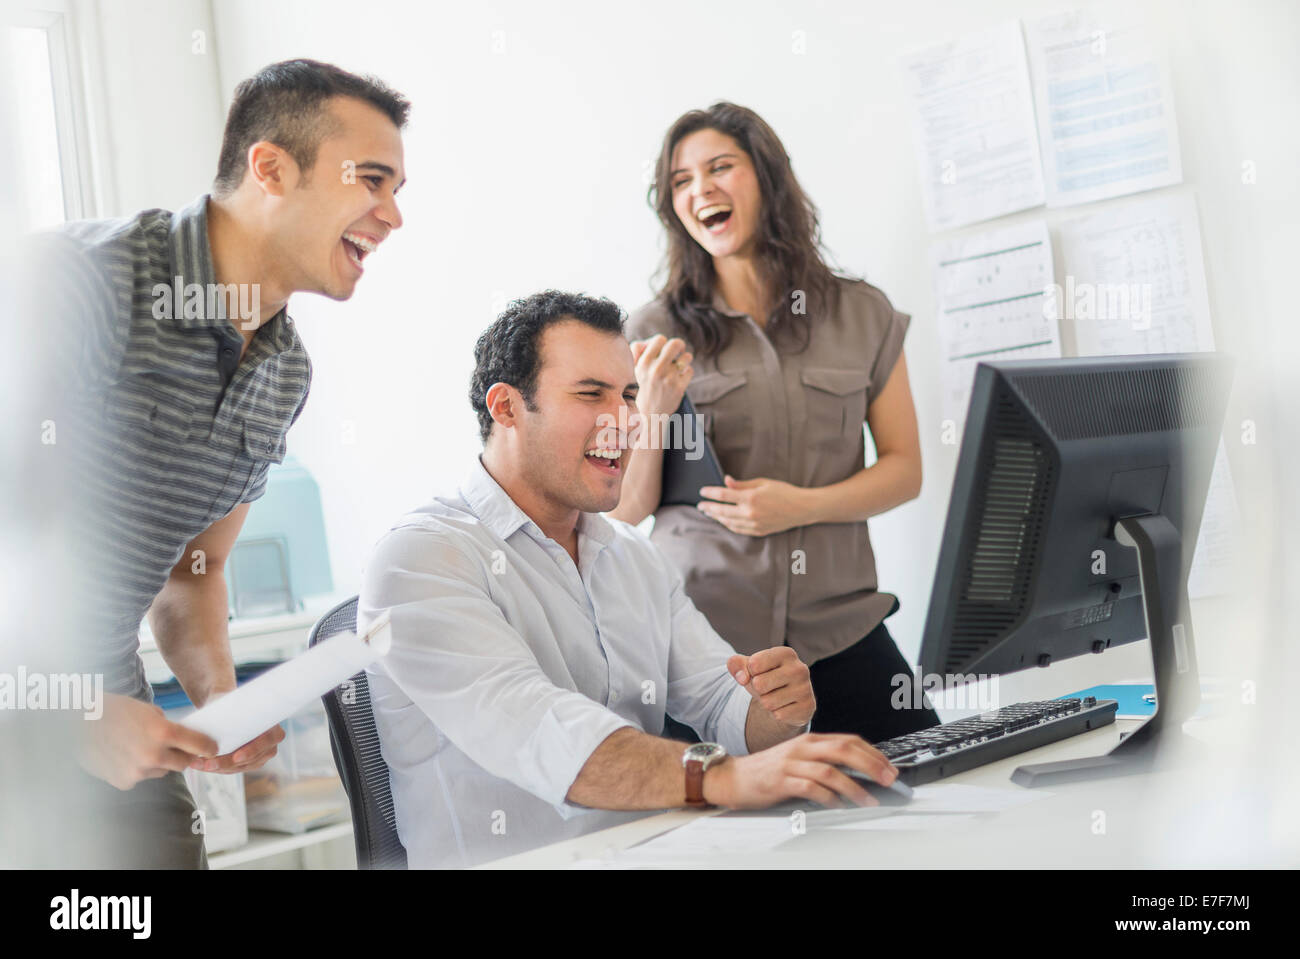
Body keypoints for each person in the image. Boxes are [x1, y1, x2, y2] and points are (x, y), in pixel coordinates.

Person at [357, 290, 900, 868]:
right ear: (507, 407)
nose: (625, 421)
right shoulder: (419, 560)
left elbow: (722, 702)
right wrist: (718, 777)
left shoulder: (632, 557)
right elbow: (542, 732)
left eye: (630, 396)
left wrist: (775, 710)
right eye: (592, 394)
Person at [33, 59, 409, 867]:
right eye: (371, 181)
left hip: (115, 740)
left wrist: (222, 701)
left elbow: (192, 574)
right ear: (270, 167)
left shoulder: (285, 373)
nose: (393, 215)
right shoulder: (81, 284)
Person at [612, 102, 939, 745]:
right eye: (680, 181)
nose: (700, 189)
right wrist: (650, 407)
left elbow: (905, 470)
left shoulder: (863, 314)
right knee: (725, 837)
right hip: (708, 649)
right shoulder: (648, 332)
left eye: (720, 168)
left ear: (767, 177)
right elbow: (624, 510)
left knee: (930, 783)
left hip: (841, 629)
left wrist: (800, 506)